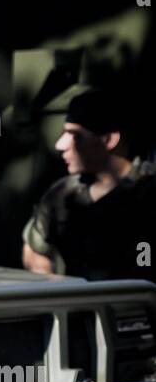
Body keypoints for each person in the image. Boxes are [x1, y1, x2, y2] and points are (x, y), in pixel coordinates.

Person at [21, 89, 156, 282]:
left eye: (74, 135)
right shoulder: (63, 193)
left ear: (109, 140)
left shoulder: (148, 193)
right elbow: (35, 247)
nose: (60, 145)